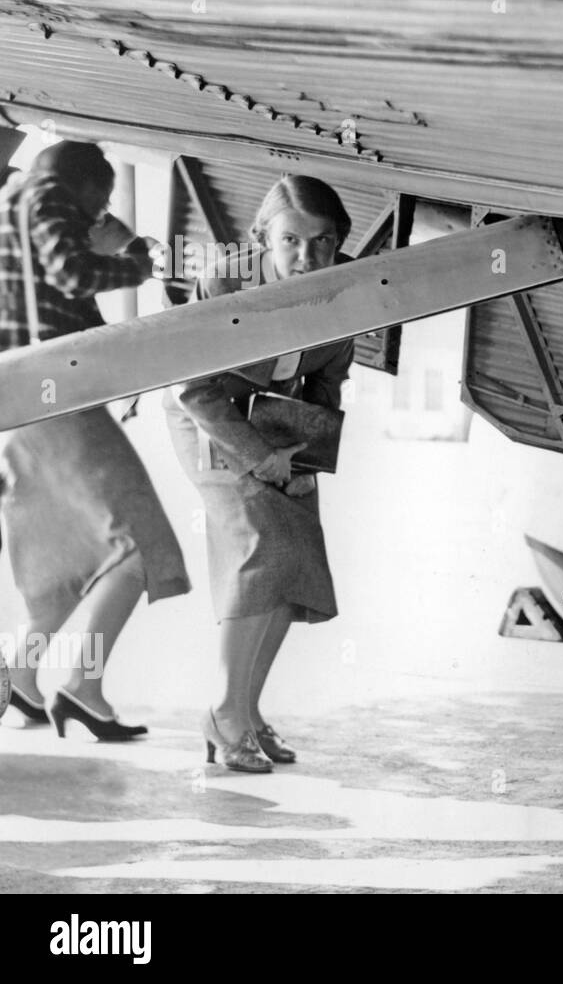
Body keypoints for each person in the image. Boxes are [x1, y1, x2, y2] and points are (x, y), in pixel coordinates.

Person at [0, 140, 190, 738]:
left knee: (60, 564)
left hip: (20, 402)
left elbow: (61, 298)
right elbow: (73, 273)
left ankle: (21, 685)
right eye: (100, 200)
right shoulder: (46, 193)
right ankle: (82, 687)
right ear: (81, 184)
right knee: (139, 544)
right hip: (51, 396)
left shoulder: (11, 209)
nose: (98, 214)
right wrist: (140, 263)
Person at [164, 175, 353, 773]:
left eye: (322, 242)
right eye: (291, 240)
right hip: (210, 417)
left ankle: (246, 711)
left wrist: (299, 454)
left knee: (294, 556)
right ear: (262, 237)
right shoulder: (225, 279)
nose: (307, 257)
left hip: (279, 424)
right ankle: (224, 715)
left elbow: (326, 387)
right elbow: (193, 387)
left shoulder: (346, 288)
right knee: (262, 546)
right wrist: (257, 457)